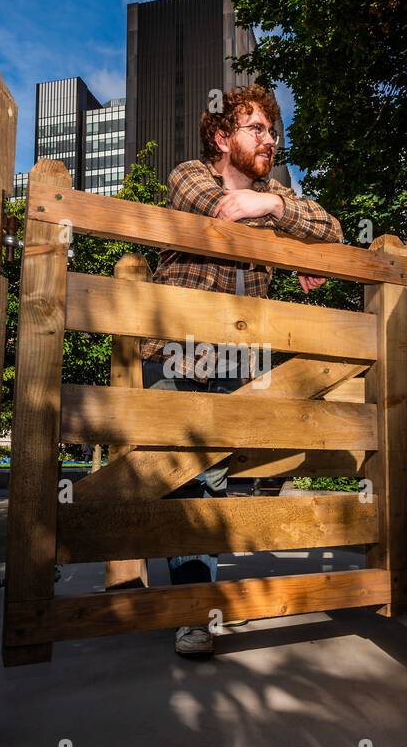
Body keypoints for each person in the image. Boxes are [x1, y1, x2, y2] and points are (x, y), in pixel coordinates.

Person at [138, 84, 344, 658]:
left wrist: (277, 207)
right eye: (256, 129)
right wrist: (288, 234)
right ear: (223, 137)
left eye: (273, 131)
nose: (270, 140)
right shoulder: (188, 175)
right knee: (186, 479)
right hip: (178, 350)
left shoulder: (275, 196)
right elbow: (221, 215)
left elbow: (333, 232)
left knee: (226, 476)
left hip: (241, 356)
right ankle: (195, 608)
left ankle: (196, 591)